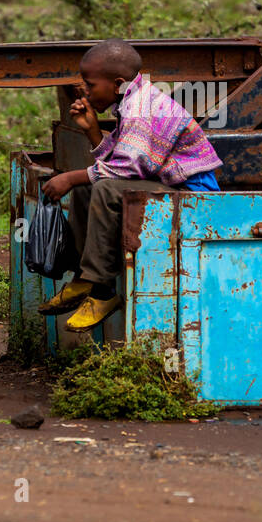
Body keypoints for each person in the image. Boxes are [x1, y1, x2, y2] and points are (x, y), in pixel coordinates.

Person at [39, 38, 222, 331]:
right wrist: (93, 132)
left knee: (102, 187)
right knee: (89, 186)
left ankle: (102, 291)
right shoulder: (132, 100)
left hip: (192, 194)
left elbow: (128, 167)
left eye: (89, 83)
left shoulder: (140, 107)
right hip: (162, 182)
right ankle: (83, 277)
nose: (84, 90)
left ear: (117, 83)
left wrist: (71, 177)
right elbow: (124, 160)